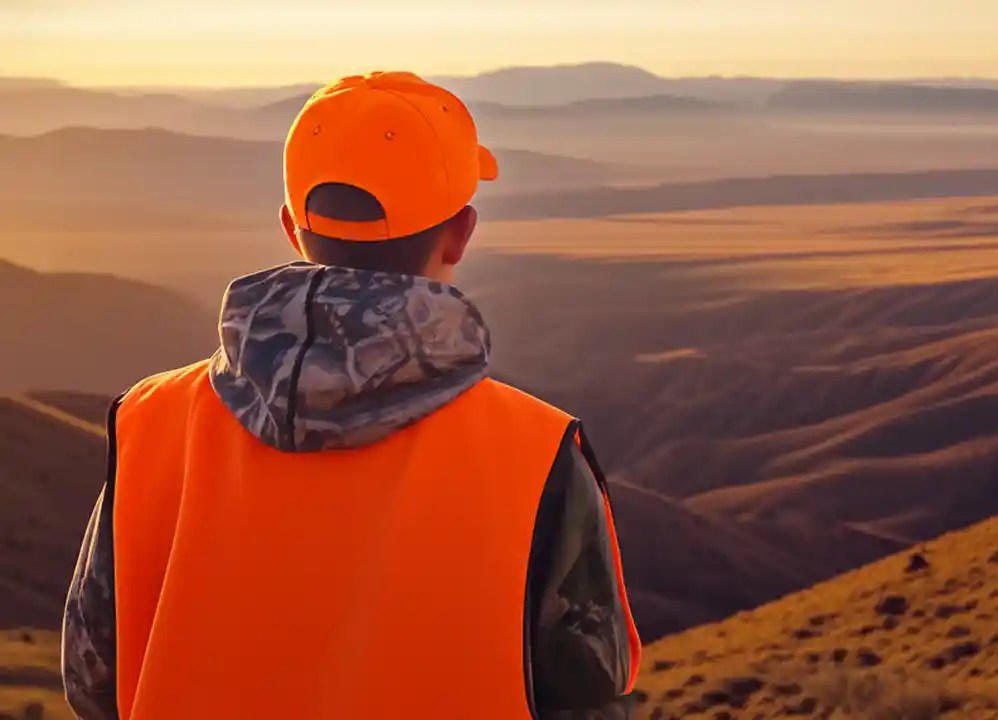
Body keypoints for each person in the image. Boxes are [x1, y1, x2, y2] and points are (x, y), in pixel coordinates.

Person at [61, 71, 642, 720]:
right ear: (461, 233)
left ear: (290, 226)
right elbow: (589, 696)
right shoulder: (538, 453)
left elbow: (95, 679)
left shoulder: (152, 422)